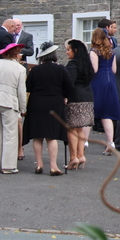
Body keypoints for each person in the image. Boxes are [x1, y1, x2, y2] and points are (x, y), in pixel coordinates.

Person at [23, 42, 72, 175]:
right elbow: (69, 87)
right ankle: (53, 166)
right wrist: (65, 96)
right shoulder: (61, 69)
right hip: (54, 104)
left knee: (37, 136)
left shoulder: (35, 70)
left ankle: (39, 164)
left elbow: (28, 87)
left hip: (37, 103)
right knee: (52, 136)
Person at [0, 42, 27, 173]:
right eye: (19, 53)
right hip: (9, 102)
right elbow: (21, 92)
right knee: (10, 134)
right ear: (15, 54)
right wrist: (23, 108)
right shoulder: (20, 69)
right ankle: (8, 166)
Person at [64, 39, 95, 166]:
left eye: (68, 50)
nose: (67, 53)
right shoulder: (87, 64)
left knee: (71, 128)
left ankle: (73, 157)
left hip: (75, 97)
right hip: (88, 97)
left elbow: (69, 82)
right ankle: (81, 155)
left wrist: (64, 95)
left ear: (75, 50)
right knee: (80, 128)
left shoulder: (72, 65)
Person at [91, 28, 120, 156]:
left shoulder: (94, 52)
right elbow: (114, 70)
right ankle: (110, 142)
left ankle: (84, 143)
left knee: (91, 110)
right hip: (111, 80)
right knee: (107, 113)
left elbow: (95, 69)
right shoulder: (111, 52)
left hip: (99, 80)